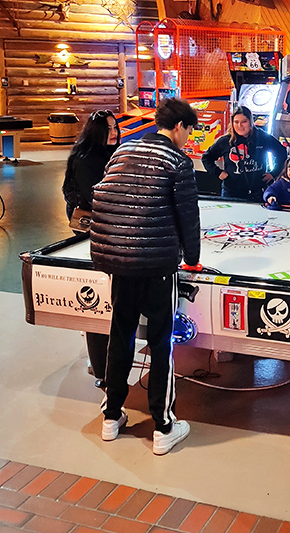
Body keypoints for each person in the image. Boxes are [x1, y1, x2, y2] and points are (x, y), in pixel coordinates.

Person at [90, 98, 201, 455]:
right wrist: (194, 259)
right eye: (189, 130)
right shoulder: (177, 160)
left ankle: (111, 416)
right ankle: (163, 425)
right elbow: (188, 215)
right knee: (160, 342)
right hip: (156, 265)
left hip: (117, 260)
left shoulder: (124, 150)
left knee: (120, 336)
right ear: (180, 127)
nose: (188, 138)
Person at [62, 109, 120, 386]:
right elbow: (94, 196)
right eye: (108, 129)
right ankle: (95, 347)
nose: (114, 133)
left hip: (107, 224)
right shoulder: (86, 159)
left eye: (115, 127)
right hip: (88, 225)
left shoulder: (113, 153)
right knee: (96, 286)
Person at [202, 105, 287, 201]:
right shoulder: (226, 141)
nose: (240, 126)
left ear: (250, 122)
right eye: (236, 122)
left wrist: (274, 173)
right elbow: (206, 158)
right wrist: (217, 172)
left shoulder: (262, 137)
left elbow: (281, 152)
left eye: (244, 122)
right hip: (232, 192)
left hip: (258, 191)